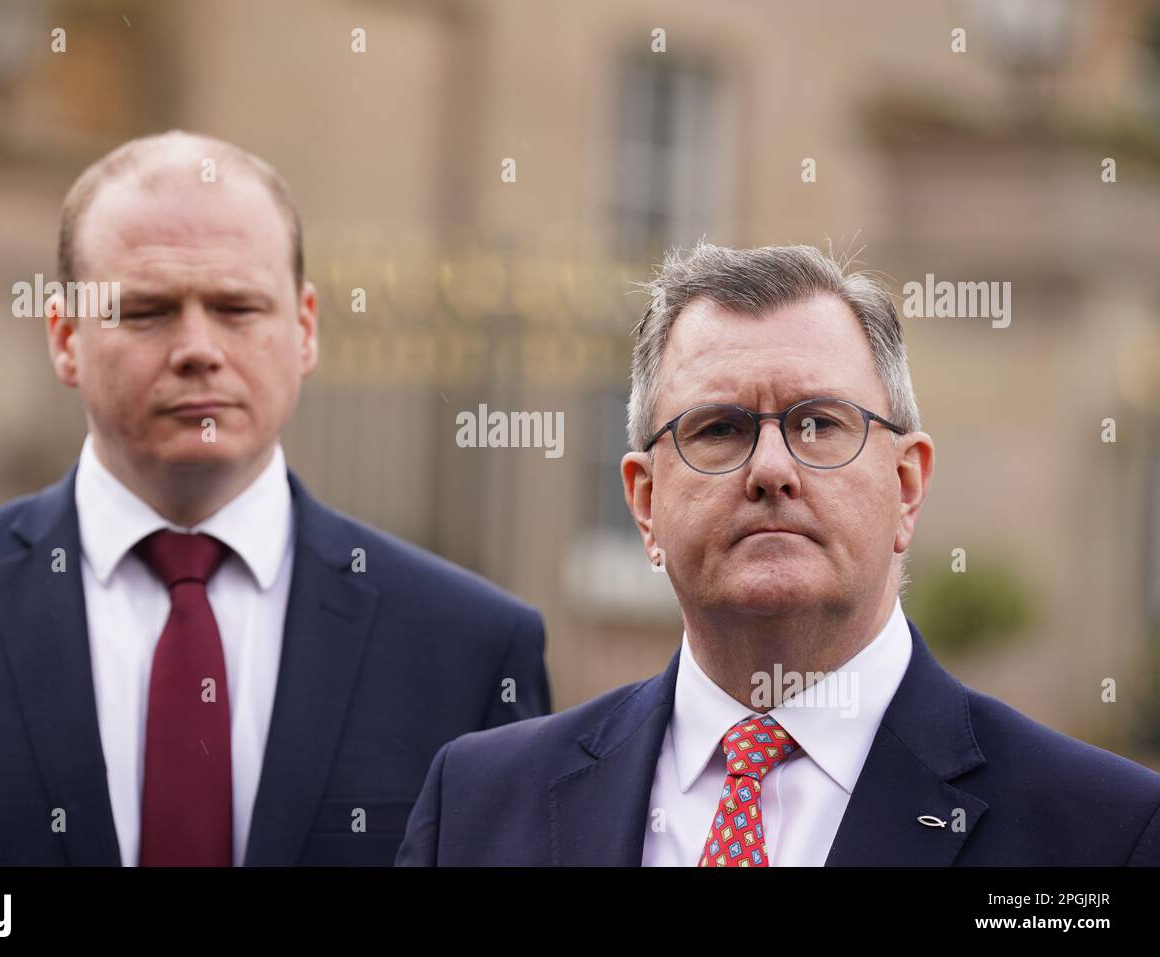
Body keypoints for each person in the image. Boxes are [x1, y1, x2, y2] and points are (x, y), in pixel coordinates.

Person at [0, 131, 550, 866]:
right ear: (65, 337)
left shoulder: (469, 651)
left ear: (306, 328)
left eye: (237, 307)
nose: (197, 347)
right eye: (148, 309)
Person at [395, 241, 1160, 866]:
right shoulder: (478, 807)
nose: (770, 469)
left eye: (820, 424)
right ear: (643, 501)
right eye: (719, 428)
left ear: (906, 485)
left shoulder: (1102, 833)